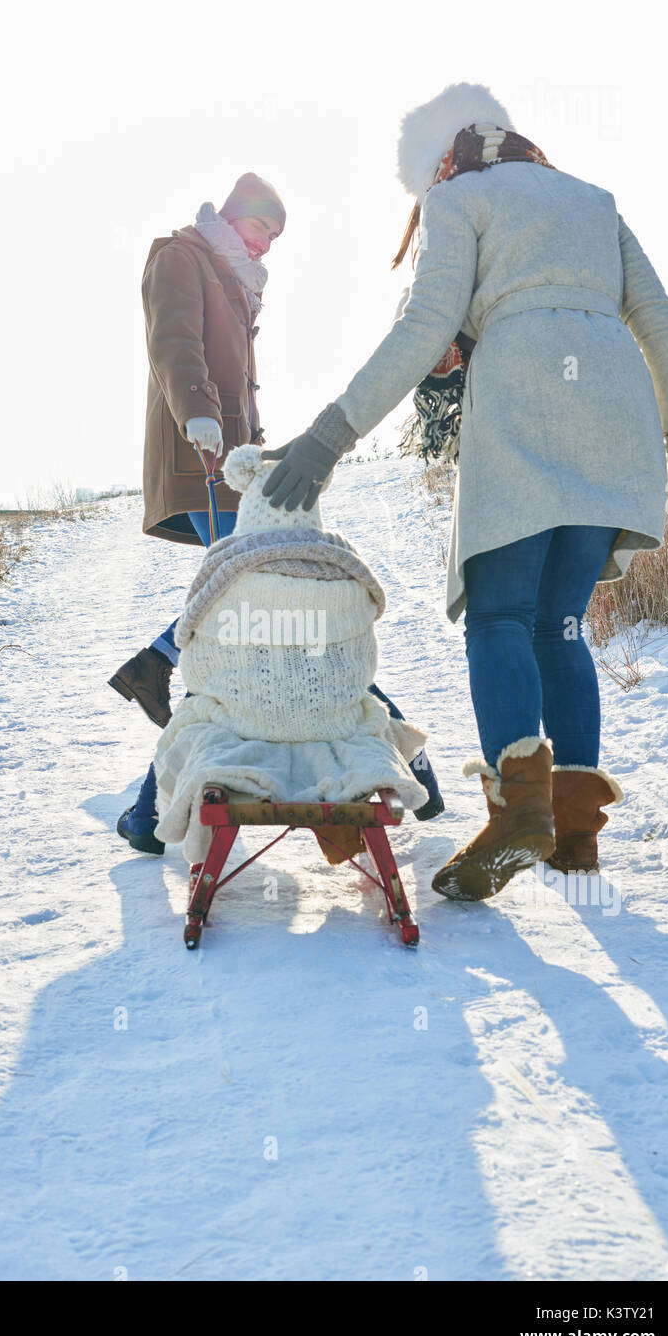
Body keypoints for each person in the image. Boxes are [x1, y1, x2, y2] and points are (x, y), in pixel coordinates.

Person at [260, 81, 668, 901]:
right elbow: (661, 322)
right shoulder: (591, 199)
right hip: (613, 413)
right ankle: (573, 831)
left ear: (440, 157)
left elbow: (423, 326)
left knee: (498, 616)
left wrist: (330, 435)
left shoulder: (457, 198)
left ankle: (516, 816)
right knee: (560, 624)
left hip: (525, 401)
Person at [115, 173, 444, 852]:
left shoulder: (233, 277)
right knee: (281, 613)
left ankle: (155, 669)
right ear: (234, 217)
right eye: (262, 227)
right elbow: (173, 344)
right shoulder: (179, 257)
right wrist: (200, 418)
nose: (267, 242)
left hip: (235, 464)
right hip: (202, 455)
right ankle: (412, 769)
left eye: (275, 235)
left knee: (263, 610)